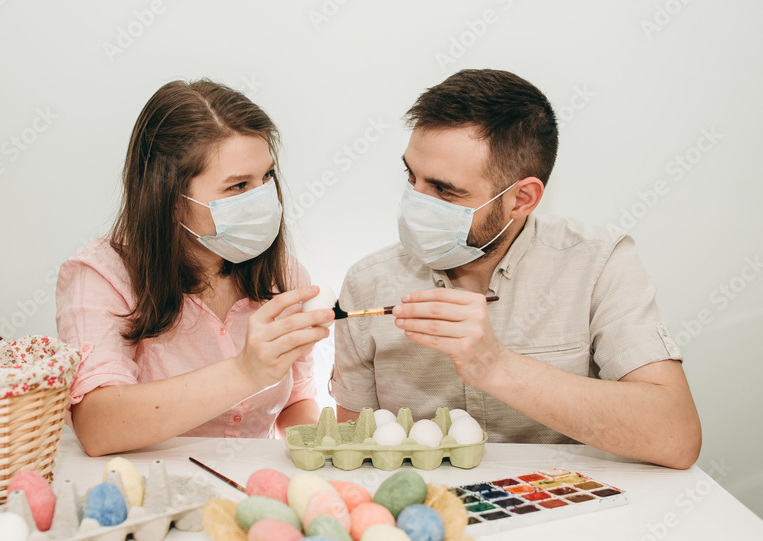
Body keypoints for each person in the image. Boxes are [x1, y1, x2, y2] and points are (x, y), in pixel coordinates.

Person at [331, 69, 701, 469]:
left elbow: (675, 437)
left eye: (443, 190)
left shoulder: (598, 264)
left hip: (565, 508)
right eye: (410, 176)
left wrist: (495, 365)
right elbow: (358, 460)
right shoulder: (367, 284)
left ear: (522, 198)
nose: (414, 204)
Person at [57, 79, 333, 456]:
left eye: (266, 177)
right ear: (169, 198)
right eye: (237, 186)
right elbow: (97, 425)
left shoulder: (283, 274)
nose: (263, 200)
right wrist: (244, 371)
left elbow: (295, 401)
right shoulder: (103, 276)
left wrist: (323, 449)